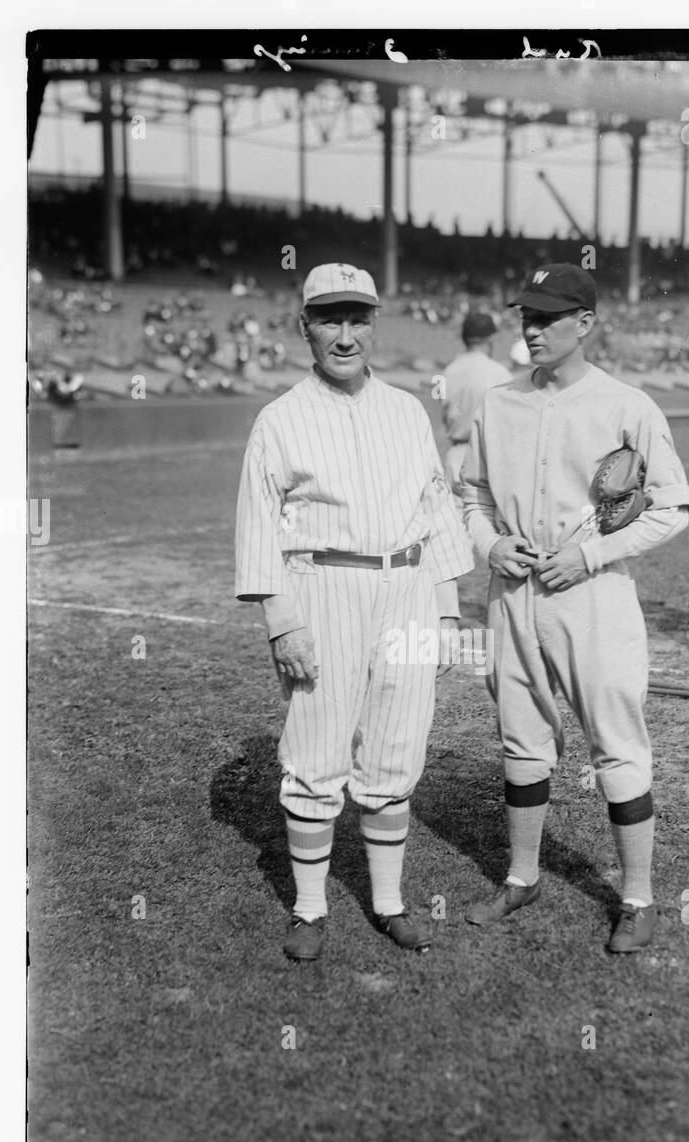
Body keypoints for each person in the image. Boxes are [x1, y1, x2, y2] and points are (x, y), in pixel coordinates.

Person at [235, 263, 474, 962]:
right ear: (302, 326)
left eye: (358, 318)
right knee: (316, 748)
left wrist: (448, 613)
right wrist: (283, 621)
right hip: (323, 588)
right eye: (330, 319)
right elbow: (258, 526)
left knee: (396, 746)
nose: (346, 335)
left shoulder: (404, 410)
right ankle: (310, 910)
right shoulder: (278, 421)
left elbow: (434, 512)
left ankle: (389, 902)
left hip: (405, 587)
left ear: (375, 324)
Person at [459, 263, 689, 954]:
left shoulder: (628, 406)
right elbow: (468, 497)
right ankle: (521, 877)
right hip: (514, 593)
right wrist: (491, 543)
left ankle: (636, 897)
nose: (530, 328)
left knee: (615, 742)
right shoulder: (496, 404)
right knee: (520, 738)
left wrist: (590, 555)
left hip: (592, 597)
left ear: (585, 322)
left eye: (547, 316)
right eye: (525, 316)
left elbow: (673, 507)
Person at [439, 311, 510, 496]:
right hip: (485, 458)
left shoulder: (448, 371)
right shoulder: (499, 372)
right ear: (491, 338)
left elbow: (445, 414)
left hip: (454, 456)